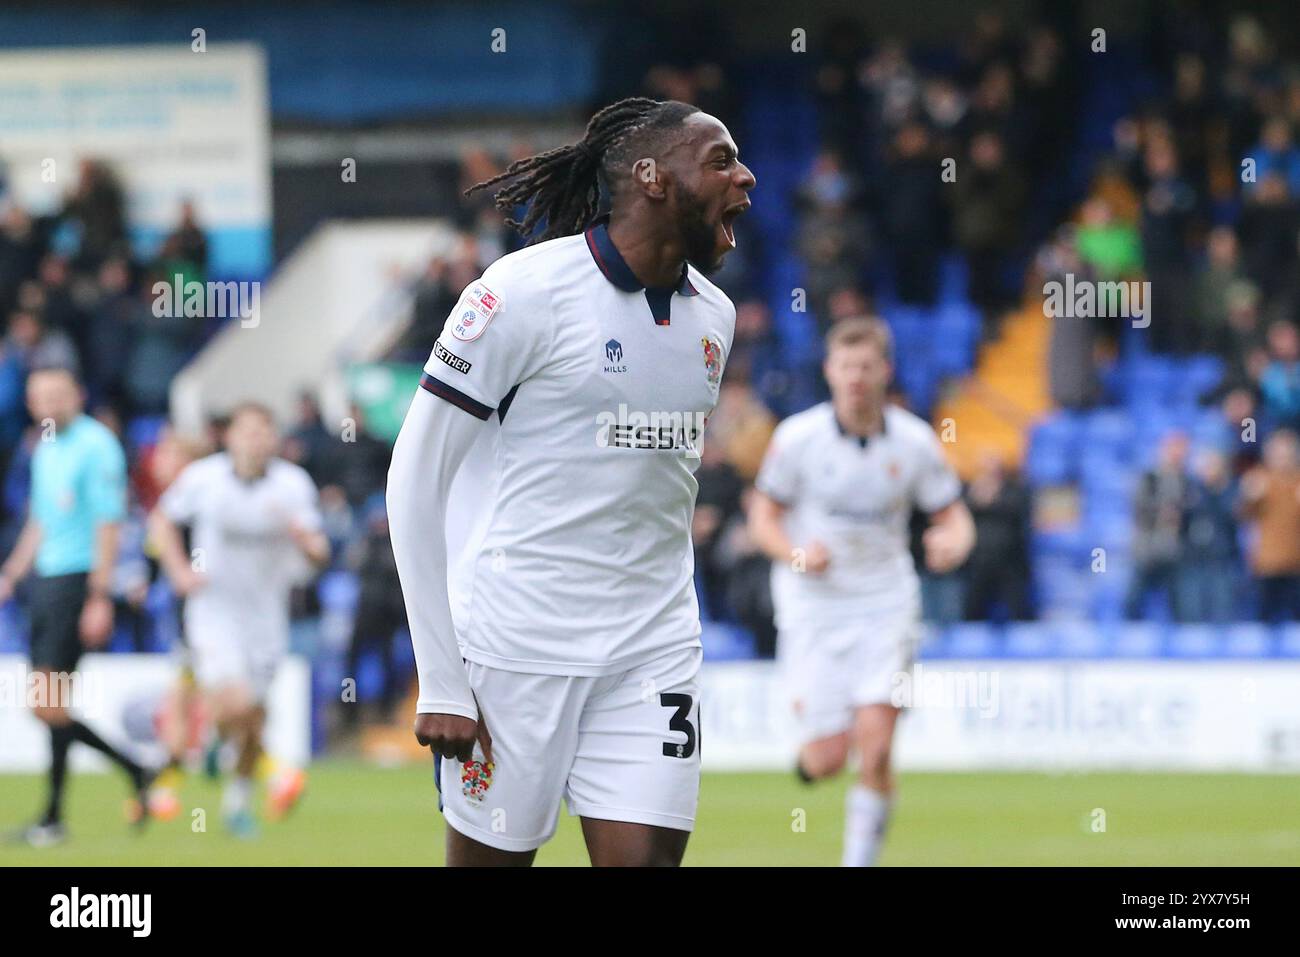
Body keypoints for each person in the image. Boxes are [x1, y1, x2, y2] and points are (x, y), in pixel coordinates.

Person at [387, 96, 754, 867]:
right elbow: (415, 478)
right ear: (651, 177)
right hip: (515, 647)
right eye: (719, 160)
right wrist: (442, 676)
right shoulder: (519, 295)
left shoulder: (713, 318)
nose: (745, 177)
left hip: (652, 647)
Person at [747, 316, 975, 867]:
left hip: (885, 606)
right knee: (827, 759)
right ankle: (819, 750)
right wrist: (797, 554)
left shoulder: (916, 441)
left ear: (884, 372)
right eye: (846, 366)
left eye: (866, 367)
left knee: (876, 747)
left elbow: (954, 514)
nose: (855, 377)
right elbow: (763, 516)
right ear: (829, 371)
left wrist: (955, 542)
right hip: (813, 606)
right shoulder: (797, 438)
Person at [148, 402, 329, 836]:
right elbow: (161, 520)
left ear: (275, 439)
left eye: (264, 431)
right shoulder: (204, 478)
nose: (255, 440)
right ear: (229, 437)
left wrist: (309, 544)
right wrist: (177, 571)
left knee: (254, 716)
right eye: (246, 431)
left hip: (267, 615)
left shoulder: (292, 484)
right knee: (237, 700)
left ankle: (236, 801)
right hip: (214, 611)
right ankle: (235, 747)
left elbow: (320, 553)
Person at [0, 367, 151, 846]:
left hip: (77, 582)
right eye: (40, 396)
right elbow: (40, 520)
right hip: (45, 582)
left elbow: (109, 523)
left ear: (76, 396)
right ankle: (55, 817)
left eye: (57, 395)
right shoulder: (43, 447)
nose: (48, 404)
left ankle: (134, 769)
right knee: (51, 705)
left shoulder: (96, 445)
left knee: (45, 705)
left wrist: (99, 596)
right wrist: (13, 572)